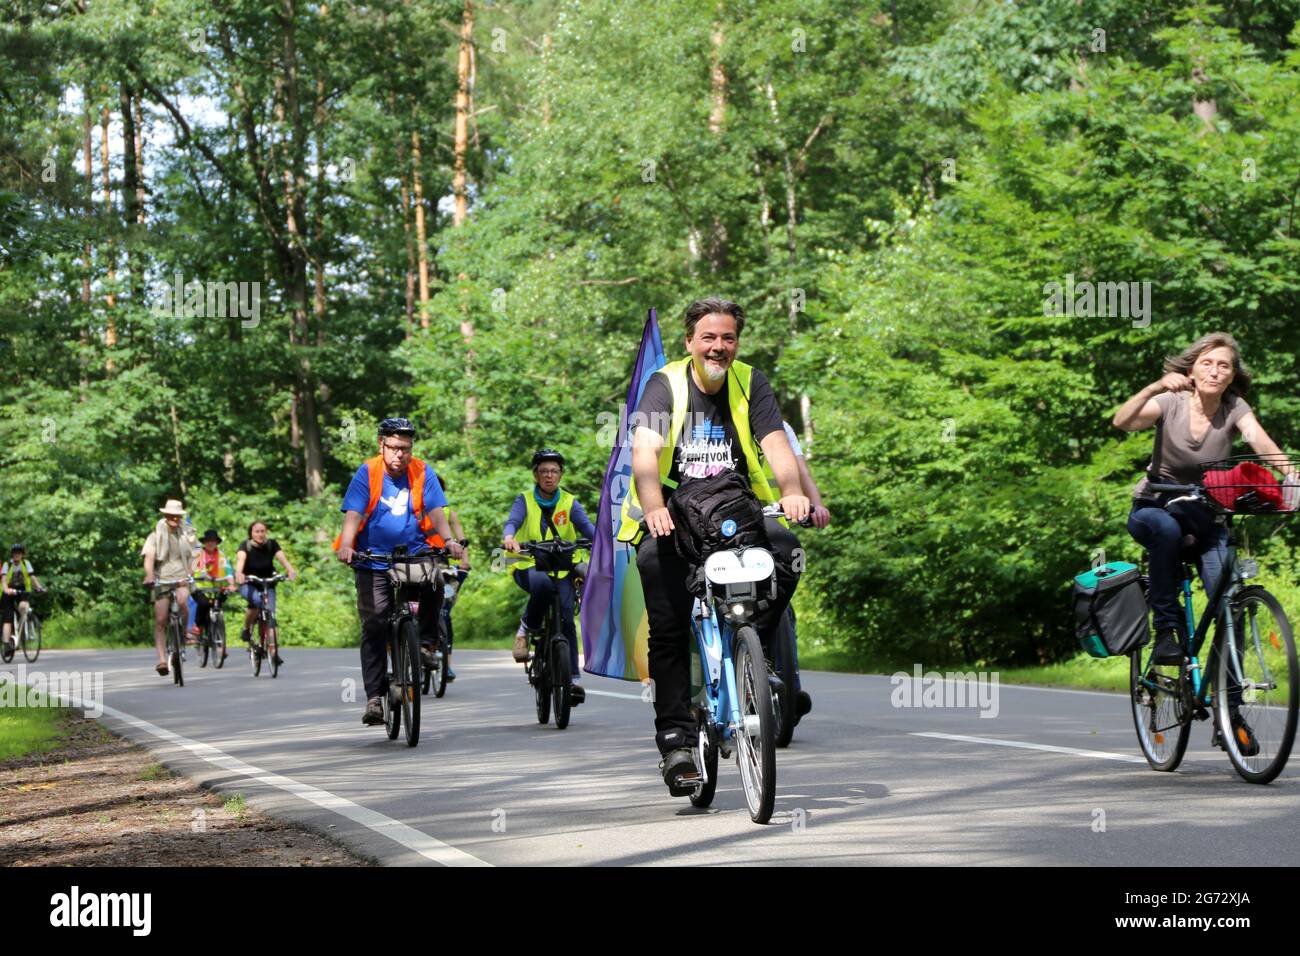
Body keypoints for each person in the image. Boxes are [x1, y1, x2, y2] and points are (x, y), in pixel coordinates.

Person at [620, 297, 810, 794]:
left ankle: (753, 651)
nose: (719, 347)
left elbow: (775, 443)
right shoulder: (664, 384)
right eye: (709, 337)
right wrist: (653, 504)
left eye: (727, 338)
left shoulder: (752, 382)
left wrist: (791, 492)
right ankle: (677, 742)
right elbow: (646, 452)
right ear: (690, 342)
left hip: (736, 509)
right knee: (667, 625)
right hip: (674, 516)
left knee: (788, 554)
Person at [1113, 332, 1295, 752]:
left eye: (1224, 366)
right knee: (1169, 531)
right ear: (1192, 370)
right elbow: (1123, 421)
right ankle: (1167, 633)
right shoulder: (1172, 401)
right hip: (1154, 507)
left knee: (1229, 603)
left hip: (1204, 513)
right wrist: (1157, 385)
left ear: (1233, 376)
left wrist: (1292, 475)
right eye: (1207, 363)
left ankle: (1229, 718)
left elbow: (1260, 441)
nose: (1215, 371)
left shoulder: (1234, 408)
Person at [335, 418, 465, 726]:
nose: (399, 455)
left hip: (412, 554)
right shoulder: (367, 472)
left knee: (435, 581)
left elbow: (436, 510)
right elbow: (353, 513)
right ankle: (375, 698)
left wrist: (448, 540)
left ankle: (425, 644)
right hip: (371, 558)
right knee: (375, 623)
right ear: (380, 444)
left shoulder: (423, 471)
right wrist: (347, 544)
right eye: (393, 447)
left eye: (405, 449)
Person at [502, 449, 597, 702]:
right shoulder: (524, 499)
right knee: (543, 586)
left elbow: (587, 528)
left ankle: (574, 679)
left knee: (566, 618)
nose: (549, 476)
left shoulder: (569, 501)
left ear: (560, 475)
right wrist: (509, 538)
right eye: (544, 471)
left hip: (562, 566)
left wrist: (603, 541)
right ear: (535, 474)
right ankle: (525, 629)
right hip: (528, 564)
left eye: (554, 471)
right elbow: (513, 521)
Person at [141, 499, 198, 676]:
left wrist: (191, 570)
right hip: (162, 579)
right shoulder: (154, 536)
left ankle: (185, 631)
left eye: (178, 516)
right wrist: (149, 575)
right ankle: (162, 660)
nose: (174, 518)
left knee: (182, 601)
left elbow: (195, 555)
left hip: (181, 577)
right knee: (161, 619)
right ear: (166, 516)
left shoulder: (187, 535)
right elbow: (149, 558)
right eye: (171, 515)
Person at [234, 520, 297, 666]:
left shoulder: (271, 544)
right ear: (251, 533)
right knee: (256, 602)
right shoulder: (246, 545)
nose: (260, 534)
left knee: (270, 614)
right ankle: (246, 629)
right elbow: (240, 559)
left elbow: (282, 558)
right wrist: (239, 573)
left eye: (262, 531)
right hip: (249, 583)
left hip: (268, 583)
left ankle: (274, 653)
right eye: (257, 531)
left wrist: (290, 570)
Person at [436, 474, 469, 682]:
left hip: (443, 570)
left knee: (444, 612)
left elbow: (461, 539)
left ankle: (447, 665)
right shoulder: (414, 511)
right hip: (418, 564)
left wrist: (464, 563)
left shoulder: (449, 513)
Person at [190, 530, 235, 659]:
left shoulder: (221, 555)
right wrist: (191, 579)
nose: (210, 543)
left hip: (217, 589)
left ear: (216, 542)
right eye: (208, 541)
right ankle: (197, 627)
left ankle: (220, 644)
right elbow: (192, 571)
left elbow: (228, 571)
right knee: (203, 604)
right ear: (204, 542)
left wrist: (231, 584)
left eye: (213, 541)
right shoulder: (198, 554)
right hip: (200, 588)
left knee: (218, 611)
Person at [2, 544, 46, 653]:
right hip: (9, 592)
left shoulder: (26, 564)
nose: (17, 555)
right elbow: (3, 579)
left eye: (19, 553)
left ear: (22, 555)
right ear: (12, 554)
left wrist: (39, 587)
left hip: (23, 590)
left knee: (23, 606)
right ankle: (6, 643)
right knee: (8, 618)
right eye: (15, 553)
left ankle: (25, 626)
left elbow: (32, 577)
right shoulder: (7, 564)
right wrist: (6, 589)